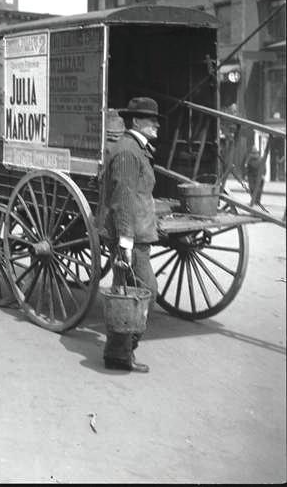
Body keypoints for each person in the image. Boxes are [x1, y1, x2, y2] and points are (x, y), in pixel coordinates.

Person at [96, 97, 162, 373]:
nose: (157, 124)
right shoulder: (128, 152)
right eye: (151, 120)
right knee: (143, 293)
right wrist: (125, 241)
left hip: (136, 235)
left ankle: (119, 353)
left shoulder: (137, 149)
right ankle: (121, 352)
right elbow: (122, 199)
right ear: (136, 122)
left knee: (128, 291)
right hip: (130, 238)